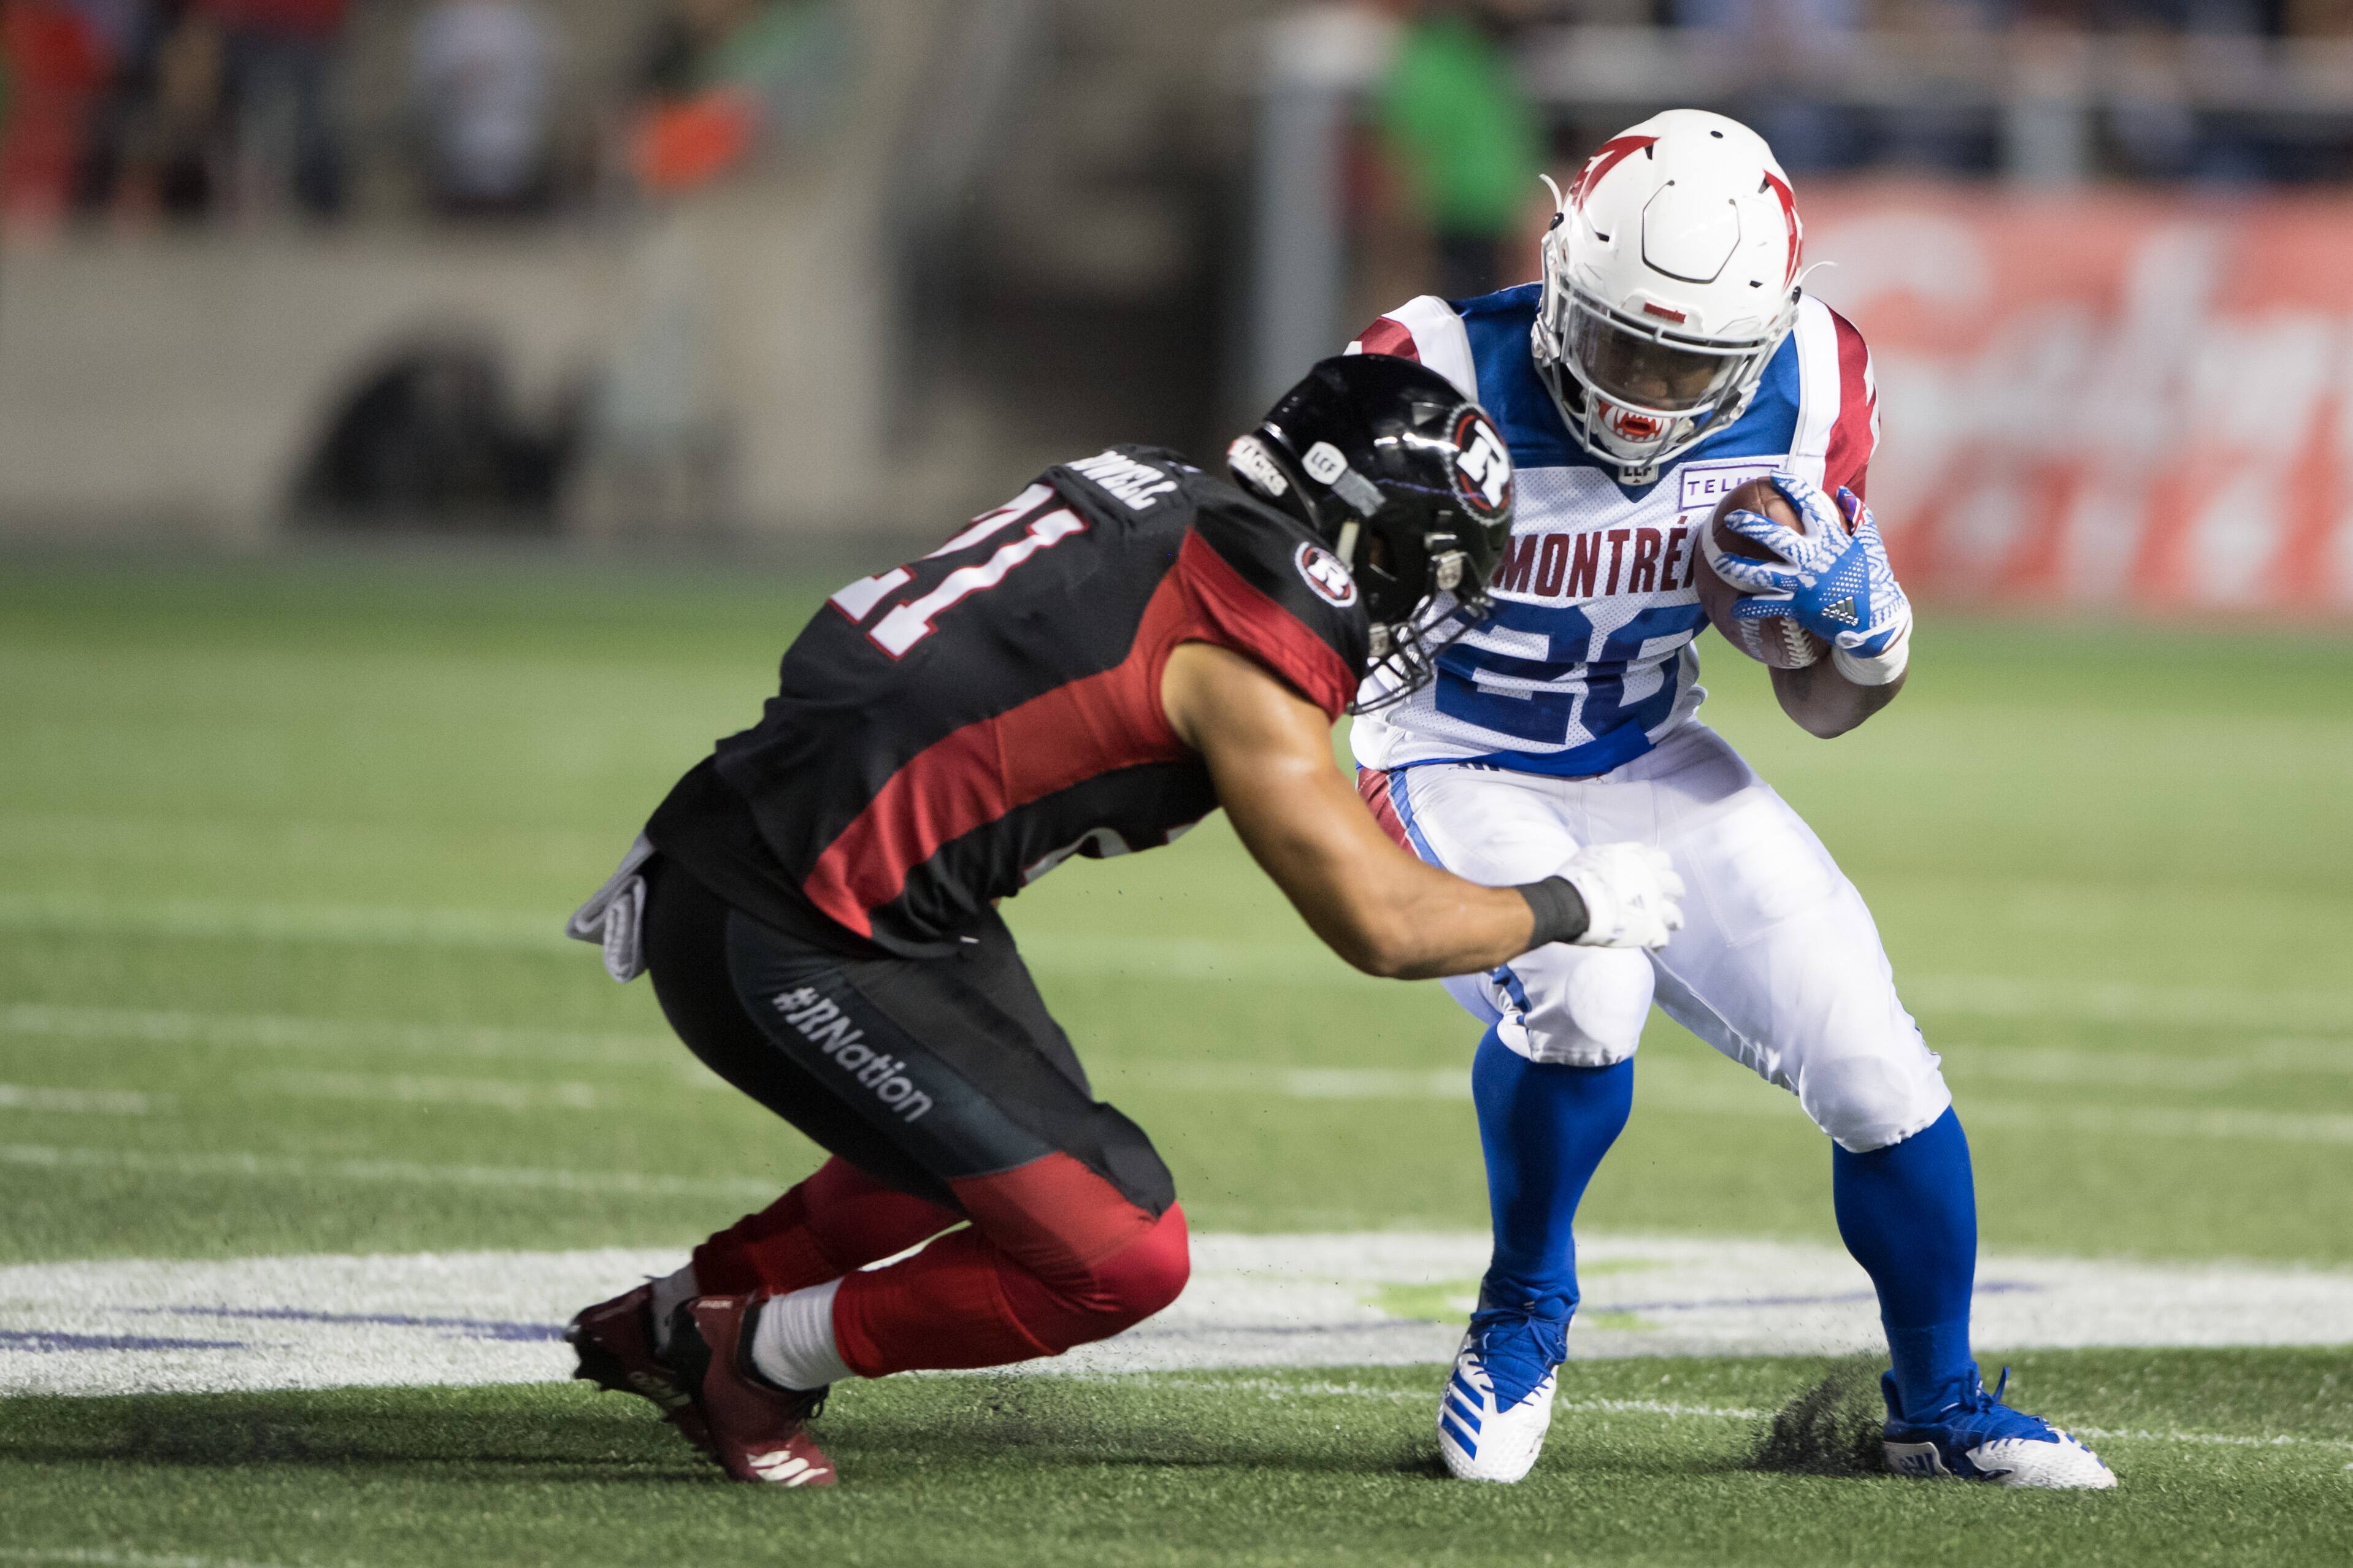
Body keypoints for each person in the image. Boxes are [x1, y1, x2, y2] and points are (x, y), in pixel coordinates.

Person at [557, 354, 1689, 1487]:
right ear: (1351, 527)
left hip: (787, 856)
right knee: (1117, 1250)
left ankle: (667, 1318)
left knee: (978, 1165)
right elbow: (1381, 922)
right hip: (800, 922)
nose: (1407, 609)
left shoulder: (1156, 483)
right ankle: (751, 1355)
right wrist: (1571, 901)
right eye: (1410, 569)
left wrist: (724, 819)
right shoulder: (1248, 637)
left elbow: (923, 673)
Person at [1343, 109, 2116, 1488]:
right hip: (1443, 748)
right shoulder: (1426, 367)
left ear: (1766, 330)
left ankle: (1933, 1406)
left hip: (1644, 748)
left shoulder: (1815, 380)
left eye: (1685, 355)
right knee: (1589, 993)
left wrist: (1868, 640)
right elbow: (1268, 598)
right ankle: (1522, 1312)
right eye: (1620, 336)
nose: (1642, 386)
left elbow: (1821, 705)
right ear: (1557, 271)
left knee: (1876, 1066)